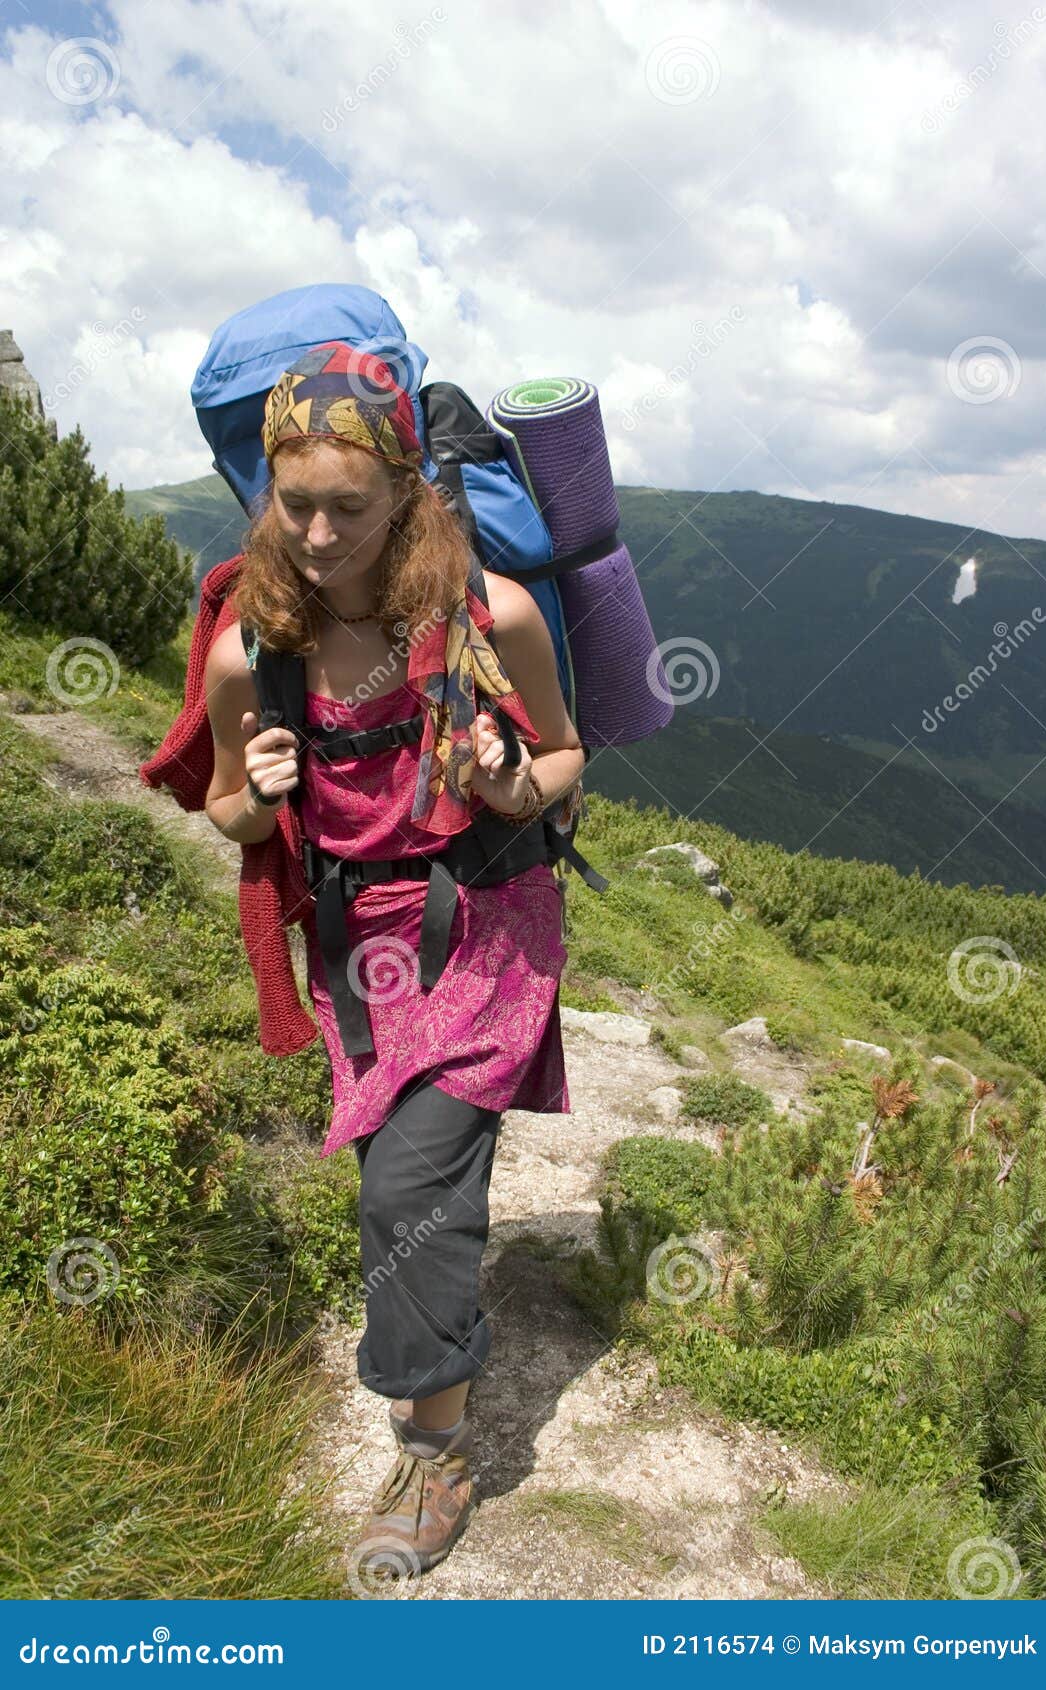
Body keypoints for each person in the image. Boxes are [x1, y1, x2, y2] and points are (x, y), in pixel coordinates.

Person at [199, 344, 586, 1582]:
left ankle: (438, 1454)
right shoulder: (244, 650)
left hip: (486, 926)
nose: (316, 532)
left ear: (408, 495)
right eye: (293, 502)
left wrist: (502, 780)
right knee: (407, 1177)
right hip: (357, 951)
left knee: (403, 1191)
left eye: (348, 508)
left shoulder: (492, 614)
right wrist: (254, 801)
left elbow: (565, 759)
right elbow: (222, 807)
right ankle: (446, 1310)